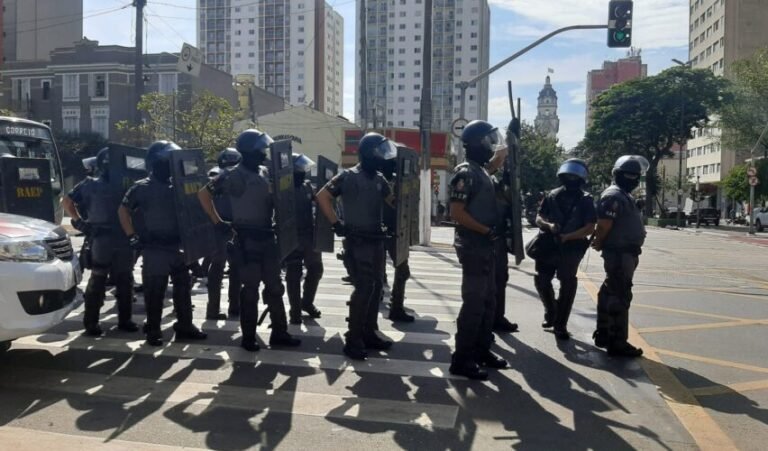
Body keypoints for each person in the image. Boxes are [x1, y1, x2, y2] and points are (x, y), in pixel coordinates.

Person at [198, 129, 300, 352]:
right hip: (247, 239)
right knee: (250, 289)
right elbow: (204, 194)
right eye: (260, 150)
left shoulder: (265, 172)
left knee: (275, 287)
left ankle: (279, 332)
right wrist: (218, 222)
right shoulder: (231, 175)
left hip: (267, 237)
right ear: (249, 151)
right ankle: (248, 336)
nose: (263, 154)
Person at [316, 132, 396, 360]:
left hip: (376, 241)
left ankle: (369, 333)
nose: (383, 157)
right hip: (358, 241)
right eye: (380, 152)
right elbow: (322, 196)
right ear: (369, 153)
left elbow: (394, 201)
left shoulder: (380, 179)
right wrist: (336, 224)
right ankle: (353, 339)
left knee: (376, 287)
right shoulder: (348, 177)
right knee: (363, 289)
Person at [118, 141, 208, 346]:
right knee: (155, 291)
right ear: (155, 163)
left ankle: (185, 326)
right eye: (166, 161)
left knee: (183, 289)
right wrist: (132, 236)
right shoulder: (141, 188)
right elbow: (123, 210)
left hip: (178, 246)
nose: (169, 165)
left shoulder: (179, 186)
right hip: (155, 247)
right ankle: (154, 329)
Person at [448, 120, 509, 380]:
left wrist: (510, 138)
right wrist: (485, 230)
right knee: (474, 302)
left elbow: (498, 160)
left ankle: (482, 350)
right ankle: (462, 358)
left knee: (488, 300)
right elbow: (457, 212)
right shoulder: (465, 173)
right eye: (487, 141)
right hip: (474, 244)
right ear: (475, 144)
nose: (490, 146)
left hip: (487, 244)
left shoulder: (481, 170)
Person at [63, 147, 138, 336]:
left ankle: (94, 322)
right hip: (113, 237)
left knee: (101, 279)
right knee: (120, 279)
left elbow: (67, 202)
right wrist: (80, 222)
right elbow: (67, 202)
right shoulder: (126, 183)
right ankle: (121, 320)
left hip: (105, 237)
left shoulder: (90, 184)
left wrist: (79, 221)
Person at [591, 155, 649, 357]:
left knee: (609, 292)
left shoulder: (623, 194)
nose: (632, 179)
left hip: (625, 253)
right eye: (629, 175)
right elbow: (604, 224)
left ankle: (604, 332)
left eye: (636, 176)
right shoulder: (613, 195)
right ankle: (617, 342)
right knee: (620, 295)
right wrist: (598, 242)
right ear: (617, 175)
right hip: (619, 253)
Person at [533, 159, 596, 340]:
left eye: (574, 176)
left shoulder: (585, 200)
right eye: (568, 175)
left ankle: (560, 324)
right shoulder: (552, 195)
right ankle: (551, 310)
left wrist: (569, 236)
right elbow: (539, 217)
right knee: (541, 281)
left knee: (567, 284)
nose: (570, 178)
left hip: (572, 248)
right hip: (549, 244)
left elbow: (590, 227)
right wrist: (548, 225)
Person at [285, 153, 324, 324]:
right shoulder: (283, 188)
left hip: (308, 235)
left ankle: (306, 303)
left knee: (316, 269)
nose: (303, 173)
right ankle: (295, 311)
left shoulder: (307, 186)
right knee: (294, 273)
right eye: (299, 170)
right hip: (291, 236)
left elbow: (319, 200)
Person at [204, 148, 242, 320]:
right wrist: (217, 221)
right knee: (218, 266)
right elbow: (204, 196)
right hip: (219, 226)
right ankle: (213, 309)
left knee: (236, 268)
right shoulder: (217, 176)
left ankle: (235, 305)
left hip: (236, 226)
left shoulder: (244, 176)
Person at [381, 157, 414, 323]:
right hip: (386, 232)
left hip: (391, 231)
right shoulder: (381, 182)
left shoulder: (382, 181)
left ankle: (395, 305)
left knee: (400, 271)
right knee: (400, 271)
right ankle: (396, 307)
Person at [491, 172, 519, 334]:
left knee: (500, 279)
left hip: (498, 239)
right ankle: (485, 325)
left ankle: (497, 318)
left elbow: (508, 205)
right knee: (487, 284)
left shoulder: (495, 181)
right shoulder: (481, 177)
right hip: (486, 239)